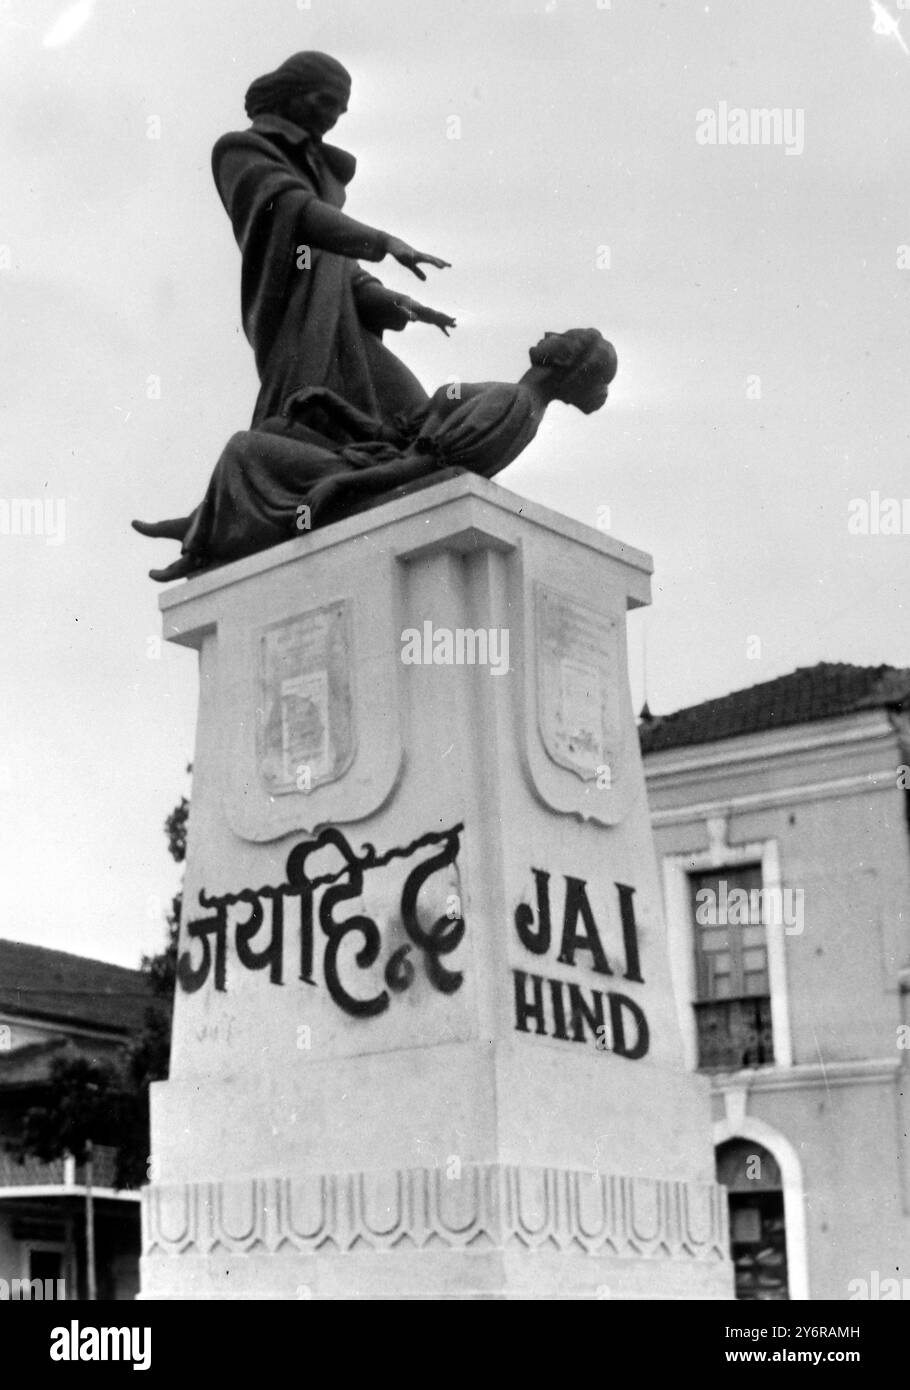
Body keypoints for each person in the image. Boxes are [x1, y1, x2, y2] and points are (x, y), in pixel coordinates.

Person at [132, 329, 618, 582]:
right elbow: (398, 437)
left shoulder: (511, 404)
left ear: (562, 358)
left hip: (373, 473)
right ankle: (200, 526)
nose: (548, 332)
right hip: (379, 458)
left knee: (245, 447)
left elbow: (428, 466)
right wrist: (330, 402)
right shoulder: (515, 401)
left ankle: (200, 545)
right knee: (278, 428)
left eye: (561, 334)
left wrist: (338, 484)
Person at [214, 51, 455, 426]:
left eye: (340, 111)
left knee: (414, 414)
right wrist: (384, 242)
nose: (331, 118)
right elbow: (292, 209)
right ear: (290, 91)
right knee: (318, 419)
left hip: (342, 325)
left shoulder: (322, 176)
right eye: (325, 101)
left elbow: (344, 271)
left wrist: (401, 303)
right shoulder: (240, 149)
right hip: (298, 320)